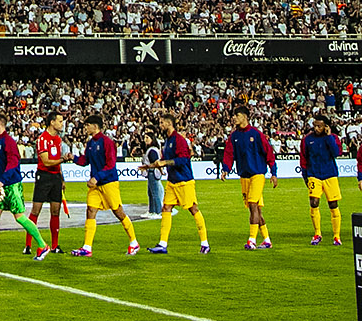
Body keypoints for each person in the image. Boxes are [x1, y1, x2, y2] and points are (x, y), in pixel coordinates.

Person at [0, 114, 50, 262]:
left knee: (20, 217)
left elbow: (13, 164)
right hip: (0, 186)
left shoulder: (8, 142)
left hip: (11, 185)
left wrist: (1, 181)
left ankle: (43, 245)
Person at [70, 114, 138, 257]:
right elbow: (85, 161)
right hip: (96, 185)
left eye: (87, 125)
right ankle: (87, 247)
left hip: (109, 183)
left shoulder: (107, 142)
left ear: (95, 126)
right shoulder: (90, 143)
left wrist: (97, 177)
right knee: (90, 211)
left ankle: (134, 242)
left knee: (118, 212)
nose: (85, 127)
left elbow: (110, 165)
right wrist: (73, 158)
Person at [141, 115, 209, 254]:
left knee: (193, 209)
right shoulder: (167, 141)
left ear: (168, 123)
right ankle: (162, 244)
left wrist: (165, 163)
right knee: (166, 208)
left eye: (161, 122)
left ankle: (205, 243)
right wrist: (149, 167)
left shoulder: (179, 140)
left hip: (184, 181)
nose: (160, 125)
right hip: (172, 181)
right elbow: (164, 160)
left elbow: (183, 159)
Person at [220, 105, 278, 250]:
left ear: (245, 117)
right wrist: (225, 169)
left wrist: (273, 172)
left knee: (253, 205)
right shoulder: (234, 136)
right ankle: (266, 240)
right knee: (256, 210)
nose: (234, 118)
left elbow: (268, 152)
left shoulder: (256, 134)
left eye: (237, 115)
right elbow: (228, 154)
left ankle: (251, 240)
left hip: (257, 174)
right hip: (244, 176)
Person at [300, 113, 343, 246]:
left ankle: (336, 236)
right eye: (315, 125)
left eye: (319, 126)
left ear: (326, 126)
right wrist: (305, 175)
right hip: (314, 174)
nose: (316, 128)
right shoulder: (307, 139)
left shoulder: (332, 138)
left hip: (330, 174)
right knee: (313, 202)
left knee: (333, 204)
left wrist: (329, 136)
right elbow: (304, 158)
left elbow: (337, 153)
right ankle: (317, 233)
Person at [28, 111, 67, 254]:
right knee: (36, 210)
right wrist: (63, 159)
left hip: (55, 177)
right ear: (52, 122)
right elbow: (46, 161)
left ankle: (55, 245)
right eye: (60, 121)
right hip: (43, 177)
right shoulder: (43, 139)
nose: (62, 124)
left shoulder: (58, 139)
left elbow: (56, 163)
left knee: (56, 211)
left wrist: (62, 179)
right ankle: (28, 245)